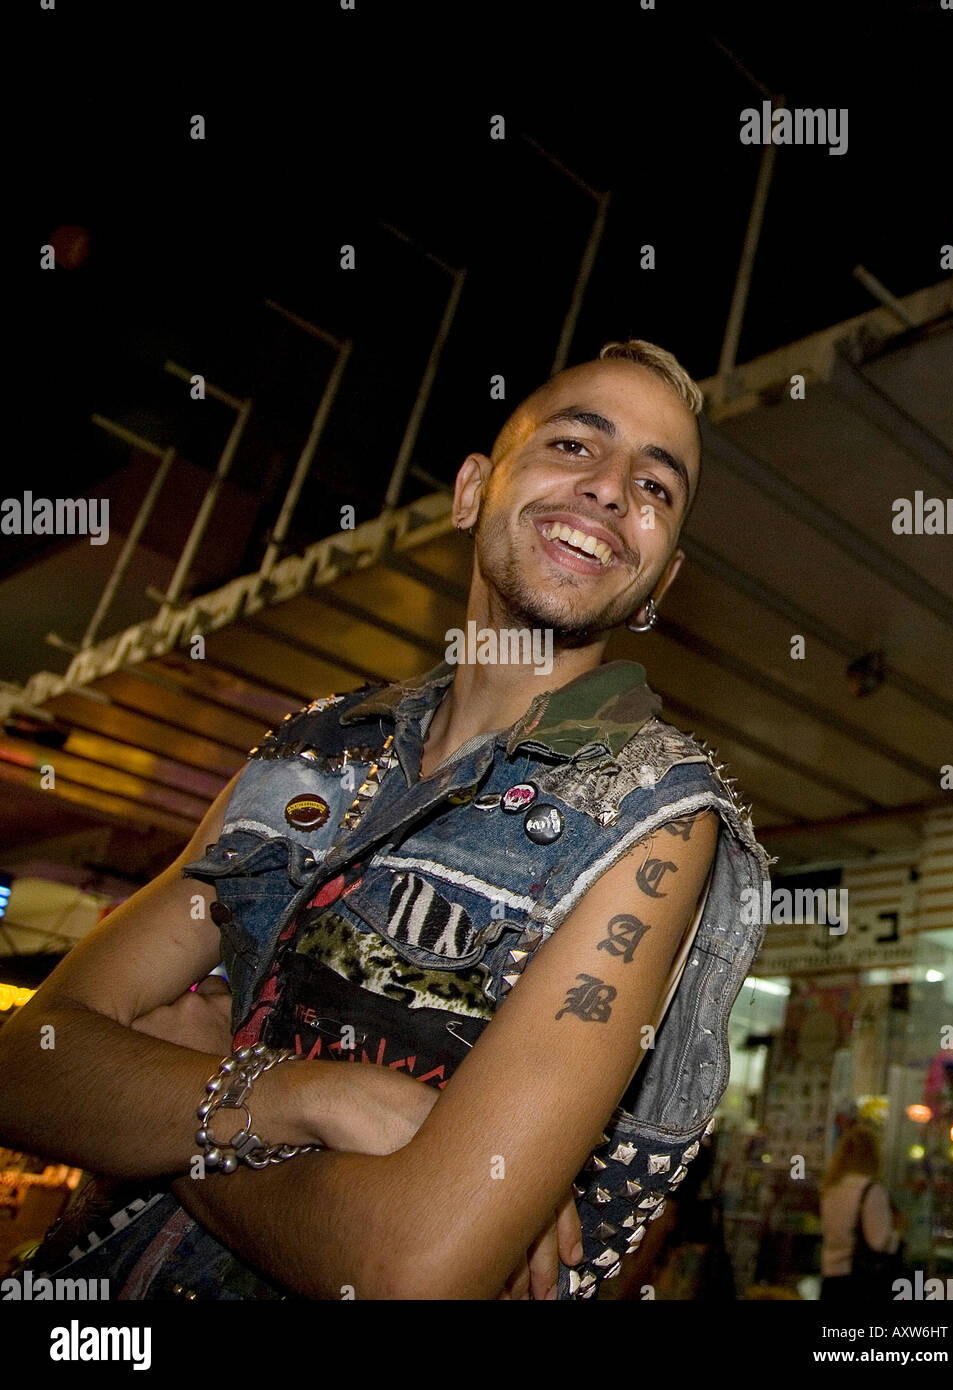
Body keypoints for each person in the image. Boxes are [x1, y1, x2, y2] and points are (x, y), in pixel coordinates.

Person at [0, 339, 771, 1300]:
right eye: (576, 445)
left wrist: (184, 1079)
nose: (614, 490)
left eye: (656, 488)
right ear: (470, 491)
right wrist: (299, 1096)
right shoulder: (317, 748)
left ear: (662, 578)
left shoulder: (652, 813)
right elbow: (31, 1064)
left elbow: (413, 1269)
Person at [819, 1123, 902, 1300]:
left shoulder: (831, 1188)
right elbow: (879, 1242)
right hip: (860, 1281)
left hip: (831, 1276)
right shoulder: (870, 1190)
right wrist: (898, 1233)